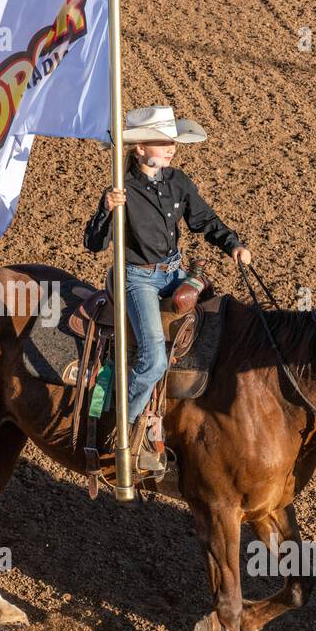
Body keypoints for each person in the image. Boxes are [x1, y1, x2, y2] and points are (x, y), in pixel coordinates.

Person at [83, 105, 251, 472]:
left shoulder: (178, 181)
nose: (171, 147)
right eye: (163, 142)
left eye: (173, 141)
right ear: (140, 147)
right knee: (154, 357)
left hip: (174, 271)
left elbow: (204, 220)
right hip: (136, 278)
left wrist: (232, 244)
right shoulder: (121, 189)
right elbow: (94, 244)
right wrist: (105, 209)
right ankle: (123, 427)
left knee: (219, 322)